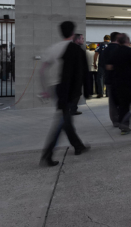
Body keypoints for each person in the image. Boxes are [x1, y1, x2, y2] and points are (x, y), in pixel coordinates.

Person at [40, 21, 90, 166]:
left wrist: (45, 89)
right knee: (63, 120)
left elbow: (42, 70)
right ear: (73, 33)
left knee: (65, 118)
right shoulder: (75, 49)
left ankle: (78, 145)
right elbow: (82, 72)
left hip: (56, 87)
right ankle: (47, 153)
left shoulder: (53, 48)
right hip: (70, 88)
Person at [106, 33, 131, 135]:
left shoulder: (115, 52)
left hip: (116, 81)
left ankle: (122, 123)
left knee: (122, 104)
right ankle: (124, 123)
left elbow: (109, 66)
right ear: (127, 41)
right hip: (128, 81)